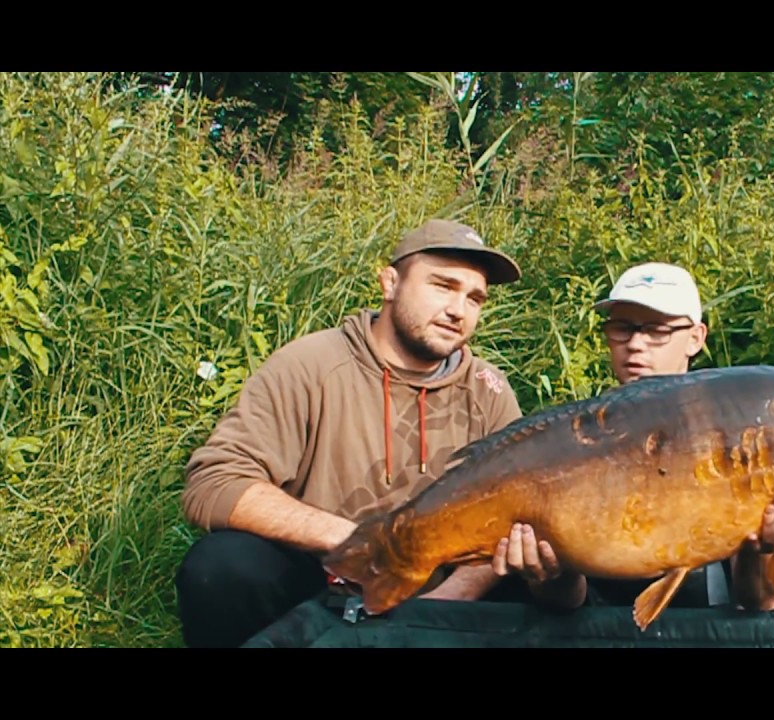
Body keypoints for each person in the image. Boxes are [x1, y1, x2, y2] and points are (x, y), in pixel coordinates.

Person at [175, 218, 528, 648]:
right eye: (442, 286)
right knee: (223, 565)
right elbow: (215, 482)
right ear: (390, 283)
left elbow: (518, 516)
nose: (459, 310)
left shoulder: (489, 392)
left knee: (544, 579)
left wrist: (446, 600)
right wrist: (356, 542)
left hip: (439, 592)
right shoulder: (312, 364)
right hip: (322, 580)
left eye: (475, 298)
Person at [491, 261, 774, 614]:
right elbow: (566, 605)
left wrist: (765, 549)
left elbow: (759, 601)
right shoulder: (568, 437)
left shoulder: (733, 437)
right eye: (622, 327)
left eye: (656, 330)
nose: (635, 344)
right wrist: (549, 574)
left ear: (695, 337)